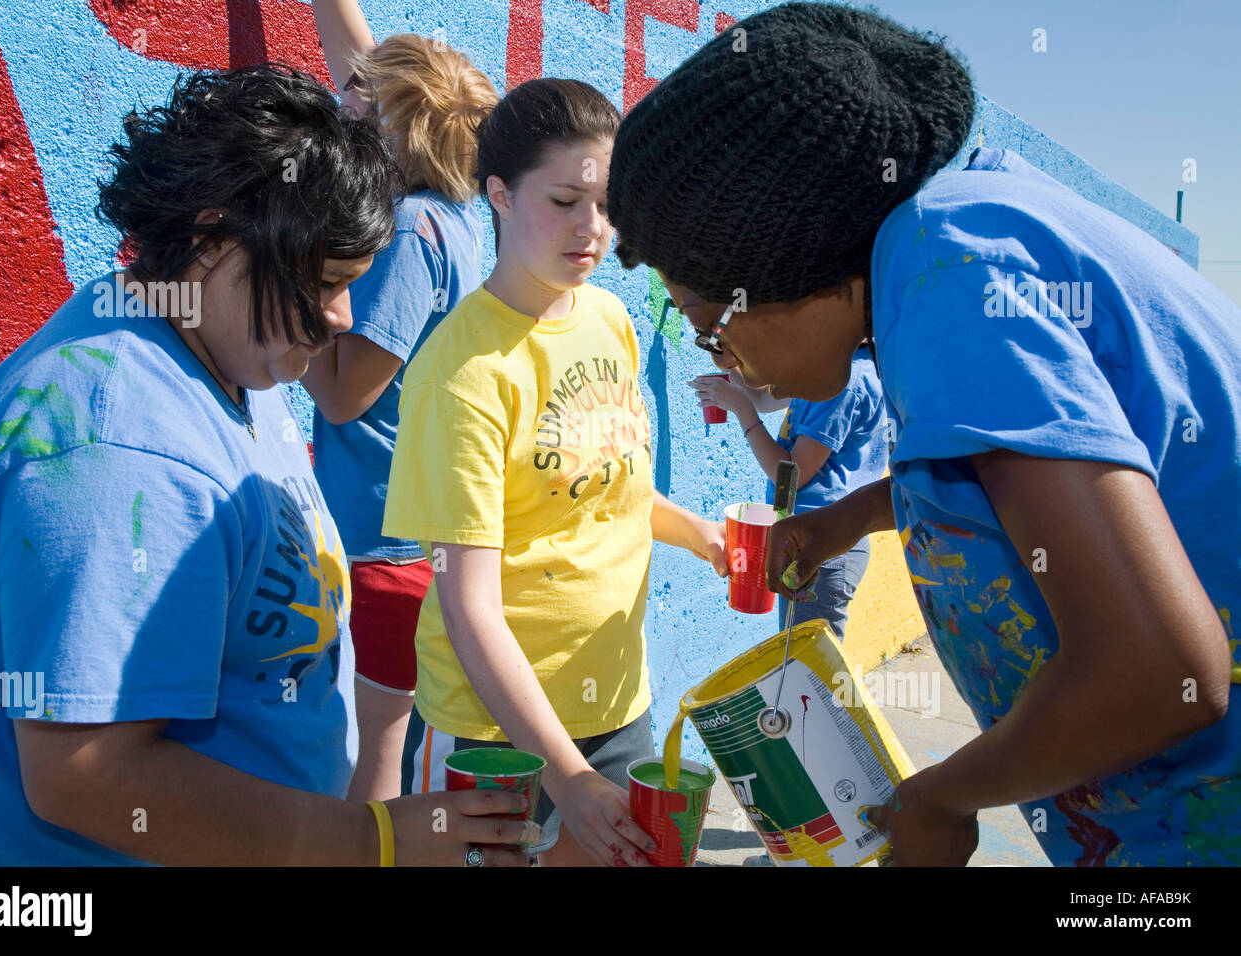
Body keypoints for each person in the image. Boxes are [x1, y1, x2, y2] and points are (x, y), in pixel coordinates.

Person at [606, 2, 1239, 866]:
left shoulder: (954, 279)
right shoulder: (951, 241)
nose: (732, 362)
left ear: (782, 264)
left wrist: (942, 797)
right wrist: (843, 521)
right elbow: (1016, 490)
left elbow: (1163, 670)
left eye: (714, 326)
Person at [0, 65, 530, 866]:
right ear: (214, 240)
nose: (340, 320)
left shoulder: (220, 347)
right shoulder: (118, 450)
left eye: (353, 285)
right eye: (324, 283)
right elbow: (87, 774)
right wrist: (375, 838)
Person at [383, 77, 729, 866]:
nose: (594, 229)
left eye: (607, 204)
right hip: (489, 733)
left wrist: (699, 535)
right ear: (500, 195)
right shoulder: (461, 374)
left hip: (615, 704)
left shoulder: (608, 318)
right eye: (566, 201)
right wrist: (564, 775)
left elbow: (614, 490)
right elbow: (468, 606)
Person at [304, 3, 499, 803]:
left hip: (378, 554)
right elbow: (366, 63)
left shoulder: (413, 234)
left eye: (362, 100)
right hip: (401, 542)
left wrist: (288, 288)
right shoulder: (452, 212)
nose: (343, 99)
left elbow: (347, 394)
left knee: (367, 765)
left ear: (395, 128)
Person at [690, 355, 888, 639]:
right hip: (805, 538)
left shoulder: (844, 383)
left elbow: (790, 476)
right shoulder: (830, 369)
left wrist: (741, 408)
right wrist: (733, 378)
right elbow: (767, 399)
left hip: (823, 546)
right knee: (801, 660)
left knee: (809, 669)